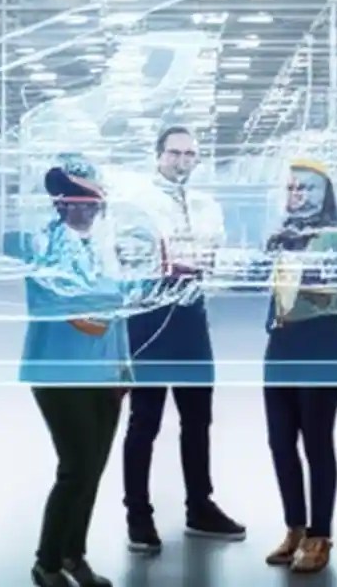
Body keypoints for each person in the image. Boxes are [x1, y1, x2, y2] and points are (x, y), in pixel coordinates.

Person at [122, 125, 245, 554]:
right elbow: (130, 257)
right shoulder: (137, 204)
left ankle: (200, 505)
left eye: (190, 154)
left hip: (192, 317)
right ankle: (137, 513)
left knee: (198, 418)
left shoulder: (207, 205)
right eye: (175, 153)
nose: (182, 161)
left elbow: (216, 255)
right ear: (158, 155)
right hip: (149, 317)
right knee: (145, 420)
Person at [20, 156, 136, 587]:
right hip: (60, 370)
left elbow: (121, 311)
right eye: (75, 197)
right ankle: (46, 561)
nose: (85, 206)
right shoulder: (45, 245)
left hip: (104, 371)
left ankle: (73, 553)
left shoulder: (106, 246)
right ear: (59, 202)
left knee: (94, 468)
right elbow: (63, 300)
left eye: (92, 197)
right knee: (76, 465)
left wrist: (124, 367)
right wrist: (117, 291)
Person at [261, 159, 337, 574]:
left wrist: (299, 278)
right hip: (281, 343)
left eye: (309, 188)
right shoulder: (283, 237)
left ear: (326, 195)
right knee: (280, 441)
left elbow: (333, 297)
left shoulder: (334, 238)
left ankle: (320, 535)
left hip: (320, 342)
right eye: (293, 187)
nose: (298, 195)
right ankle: (295, 527)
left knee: (316, 441)